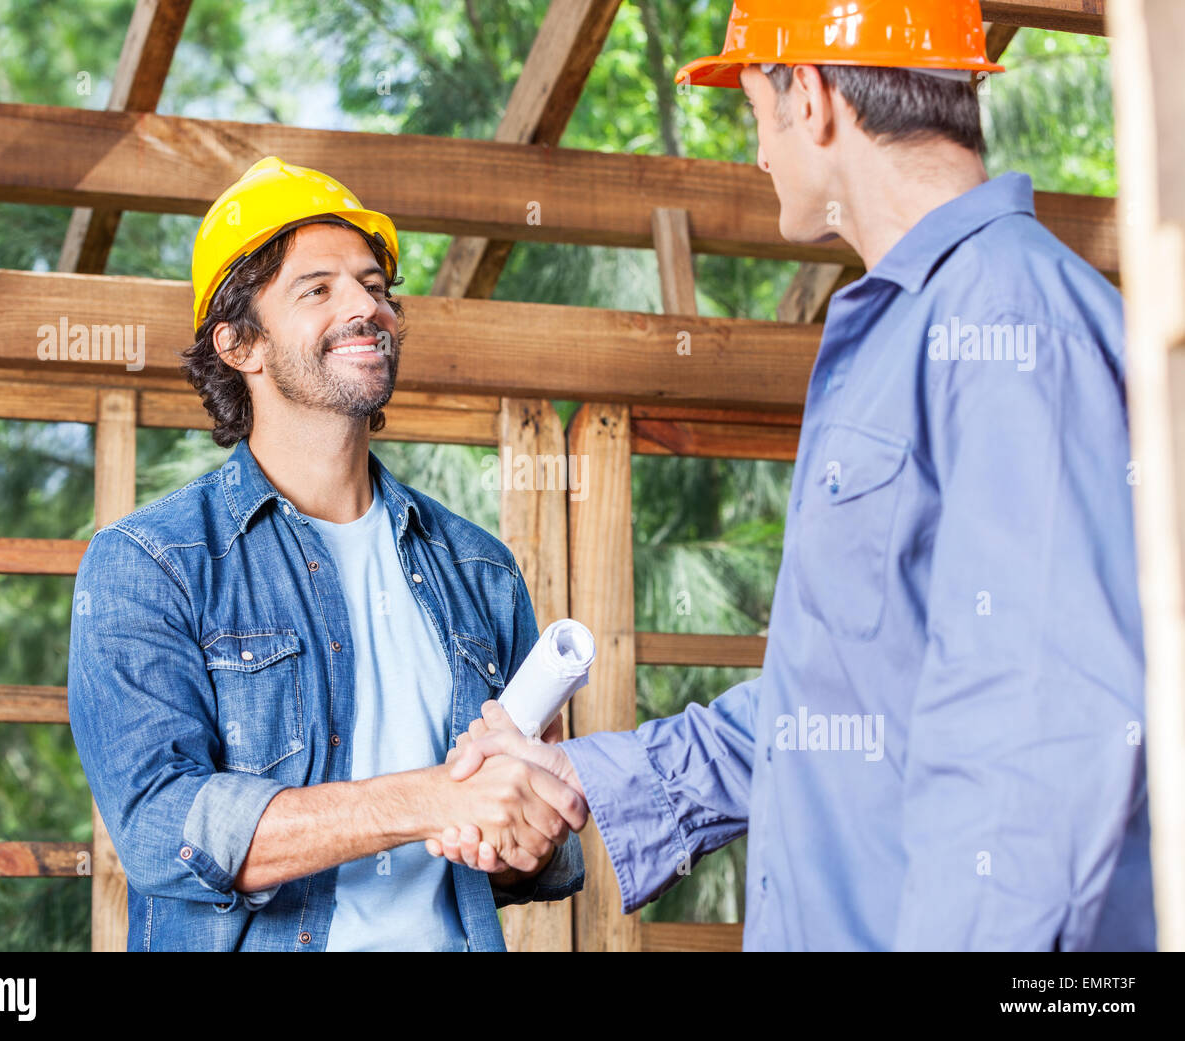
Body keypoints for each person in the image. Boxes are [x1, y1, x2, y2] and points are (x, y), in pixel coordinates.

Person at [435, 0, 1155, 951]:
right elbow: (838, 705)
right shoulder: (906, 328)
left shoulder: (1013, 320)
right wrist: (577, 776)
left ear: (809, 97)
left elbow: (1039, 723)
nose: (761, 153)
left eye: (754, 107)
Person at [67, 156, 585, 952]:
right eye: (319, 290)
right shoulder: (149, 562)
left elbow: (530, 861)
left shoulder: (481, 571)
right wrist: (430, 799)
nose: (366, 309)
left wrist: (526, 835)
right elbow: (161, 824)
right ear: (239, 344)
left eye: (375, 287)